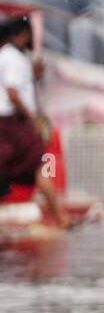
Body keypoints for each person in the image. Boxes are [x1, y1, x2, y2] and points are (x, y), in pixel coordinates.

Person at [0, 16, 67, 227]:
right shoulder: (11, 57)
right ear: (24, 35)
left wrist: (34, 75)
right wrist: (31, 119)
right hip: (12, 120)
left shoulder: (10, 57)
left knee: (24, 166)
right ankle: (60, 218)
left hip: (10, 121)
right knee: (39, 163)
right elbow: (11, 92)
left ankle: (59, 217)